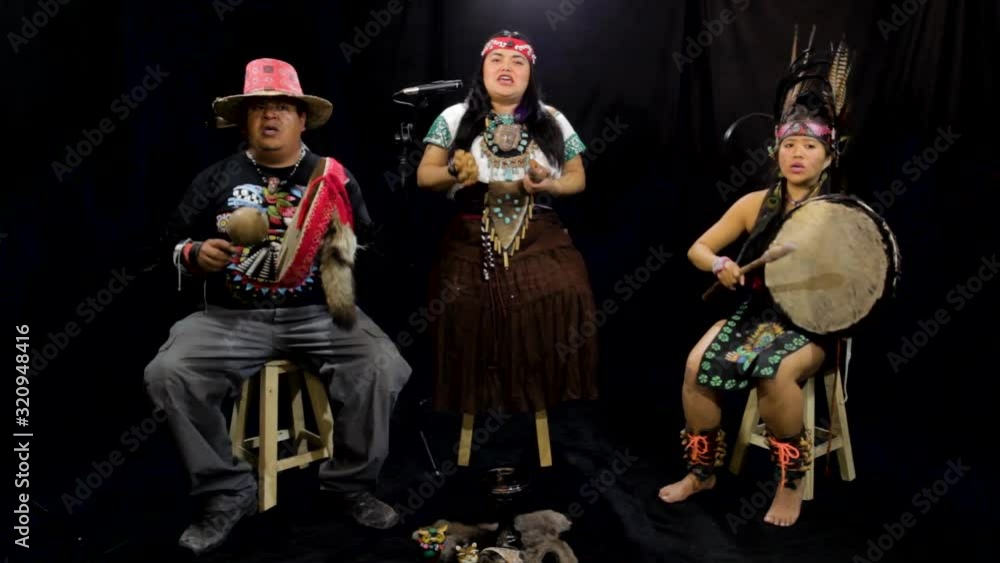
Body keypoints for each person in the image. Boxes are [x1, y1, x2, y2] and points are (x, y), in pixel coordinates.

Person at [144, 58, 411, 555]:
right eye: (259, 108)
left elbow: (375, 248)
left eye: (283, 107)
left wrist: (338, 247)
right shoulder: (215, 178)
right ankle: (227, 491)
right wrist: (194, 254)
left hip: (318, 315)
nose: (271, 116)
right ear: (243, 121)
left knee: (382, 365)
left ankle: (351, 485)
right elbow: (165, 245)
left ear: (301, 119)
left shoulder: (332, 177)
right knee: (168, 372)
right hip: (231, 317)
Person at [657, 35, 855, 526]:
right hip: (758, 315)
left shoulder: (840, 213)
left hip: (814, 325)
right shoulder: (754, 204)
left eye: (810, 146)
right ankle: (702, 471)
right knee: (696, 363)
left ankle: (789, 483)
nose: (798, 154)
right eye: (790, 145)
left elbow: (857, 284)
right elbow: (698, 248)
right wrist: (718, 265)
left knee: (775, 370)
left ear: (829, 156)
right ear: (776, 150)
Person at [415, 31, 598, 419]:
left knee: (567, 291)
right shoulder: (455, 116)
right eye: (496, 59)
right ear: (482, 69)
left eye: (518, 62)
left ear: (530, 74)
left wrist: (549, 185)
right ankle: (480, 400)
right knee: (464, 304)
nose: (506, 67)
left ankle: (539, 392)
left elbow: (577, 177)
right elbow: (425, 176)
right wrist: (454, 172)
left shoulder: (552, 119)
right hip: (471, 231)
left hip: (539, 229)